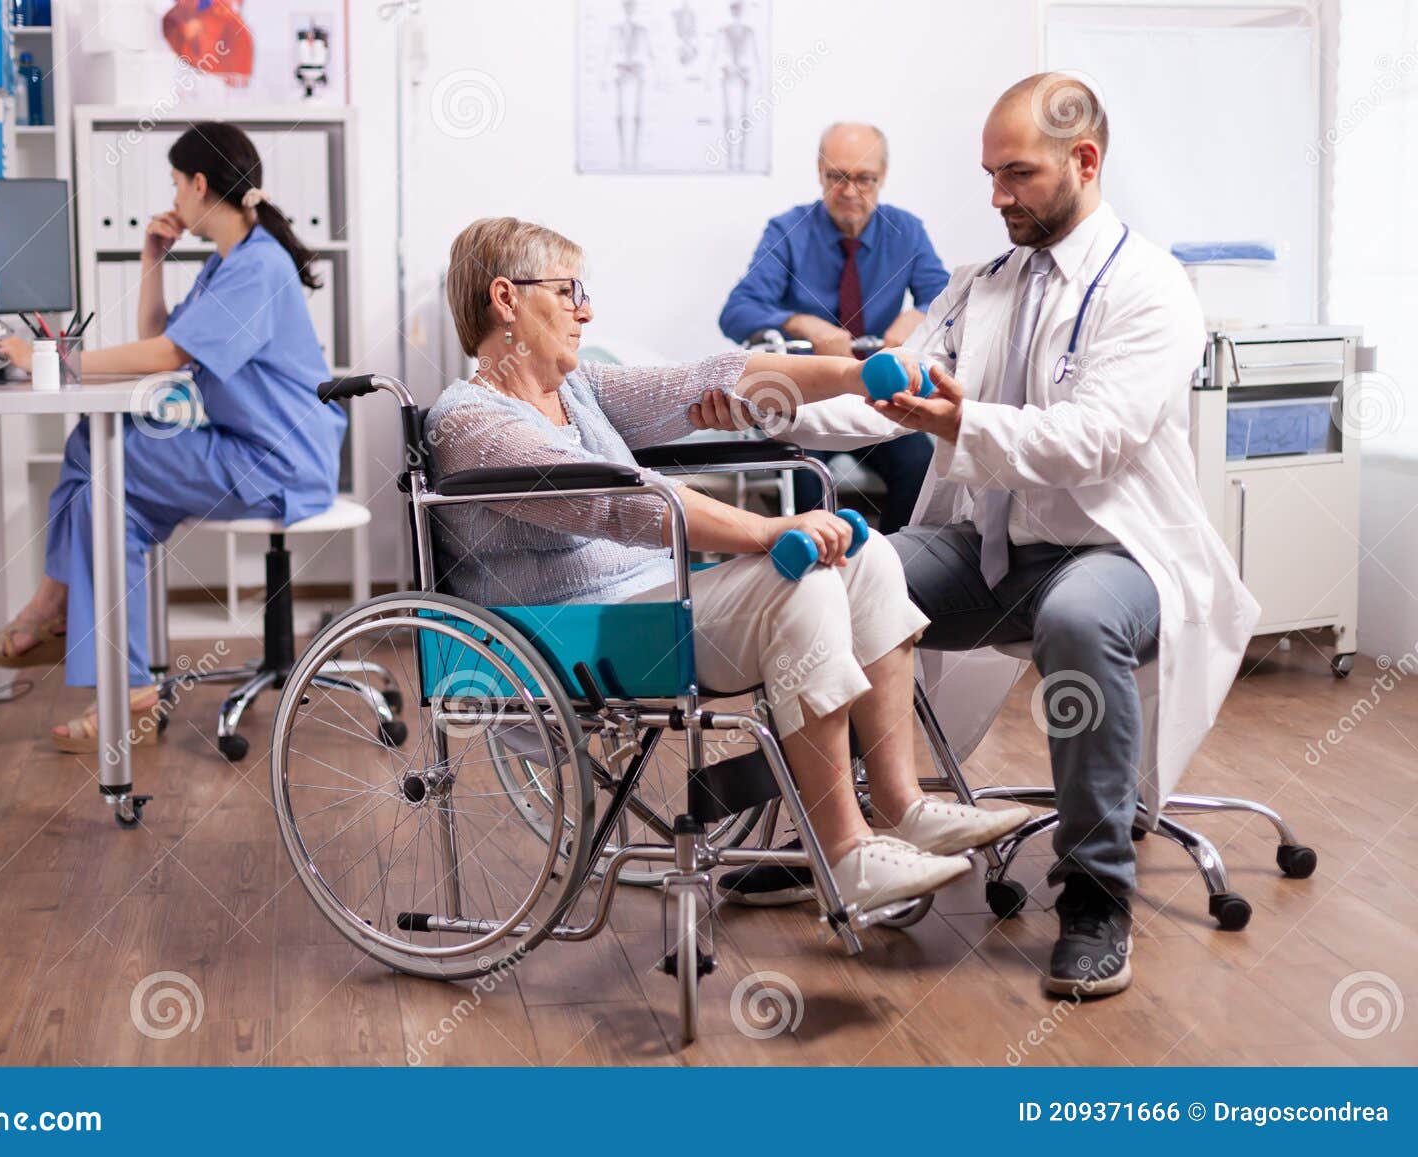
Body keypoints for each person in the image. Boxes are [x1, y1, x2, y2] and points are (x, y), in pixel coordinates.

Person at [695, 74, 1259, 997]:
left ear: (1086, 160)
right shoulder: (982, 284)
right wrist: (769, 411)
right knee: (833, 571)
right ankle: (836, 832)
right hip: (992, 551)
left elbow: (1092, 441)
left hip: (1119, 555)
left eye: (1018, 174)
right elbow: (888, 400)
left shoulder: (1151, 289)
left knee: (1077, 620)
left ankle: (1094, 896)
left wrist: (958, 422)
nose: (996, 195)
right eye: (990, 174)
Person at [426, 216, 1028, 920]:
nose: (586, 308)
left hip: (648, 608)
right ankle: (846, 850)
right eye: (568, 290)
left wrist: (856, 374)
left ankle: (901, 802)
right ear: (505, 298)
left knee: (865, 557)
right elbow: (615, 507)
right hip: (566, 638)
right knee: (796, 581)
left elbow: (711, 377)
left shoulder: (580, 391)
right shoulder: (468, 422)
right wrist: (770, 530)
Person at [0, 122, 345, 752]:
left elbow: (167, 355)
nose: (174, 199)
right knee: (102, 478)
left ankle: (59, 616)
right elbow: (163, 336)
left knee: (103, 460)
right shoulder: (230, 262)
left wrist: (45, 358)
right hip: (248, 448)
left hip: (279, 462)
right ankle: (119, 678)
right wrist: (152, 259)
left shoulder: (256, 267)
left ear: (200, 184)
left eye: (177, 185)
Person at [718, 123, 949, 529]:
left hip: (879, 398)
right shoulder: (788, 230)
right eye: (837, 177)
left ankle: (891, 570)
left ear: (883, 177)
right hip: (809, 400)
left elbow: (952, 301)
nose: (849, 191)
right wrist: (802, 323)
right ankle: (820, 581)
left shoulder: (907, 231)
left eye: (864, 178)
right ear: (819, 172)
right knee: (807, 480)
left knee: (921, 469)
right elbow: (737, 311)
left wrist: (919, 315)